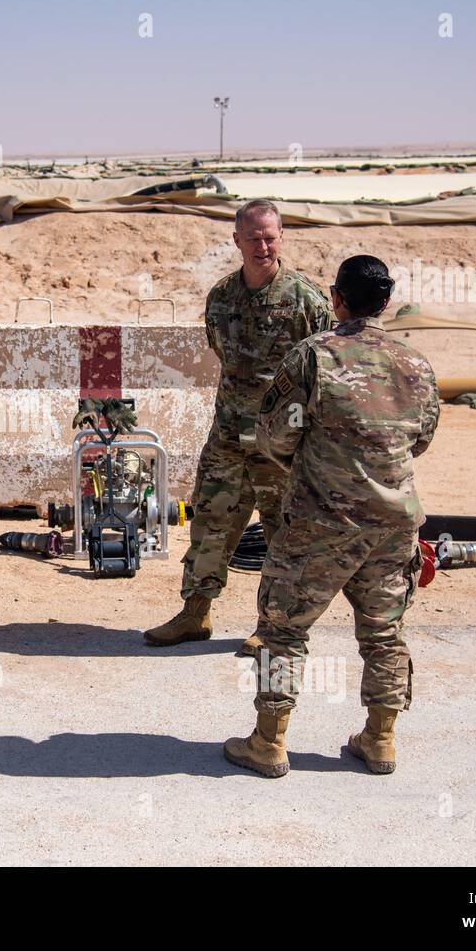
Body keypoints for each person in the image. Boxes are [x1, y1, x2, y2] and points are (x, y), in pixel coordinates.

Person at [222, 255, 440, 778]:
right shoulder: (415, 362)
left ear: (335, 299)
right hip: (392, 524)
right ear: (386, 302)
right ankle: (380, 739)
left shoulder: (313, 357)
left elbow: (275, 435)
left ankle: (269, 743)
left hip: (320, 522)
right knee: (384, 632)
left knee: (284, 629)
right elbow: (422, 436)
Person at [145, 200, 333, 655]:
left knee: (282, 533)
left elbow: (324, 372)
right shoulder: (222, 297)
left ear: (282, 238)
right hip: (228, 438)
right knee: (210, 523)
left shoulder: (306, 301)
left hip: (281, 445)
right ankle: (196, 613)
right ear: (236, 241)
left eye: (270, 237)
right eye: (253, 238)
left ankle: (273, 627)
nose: (263, 246)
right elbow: (221, 353)